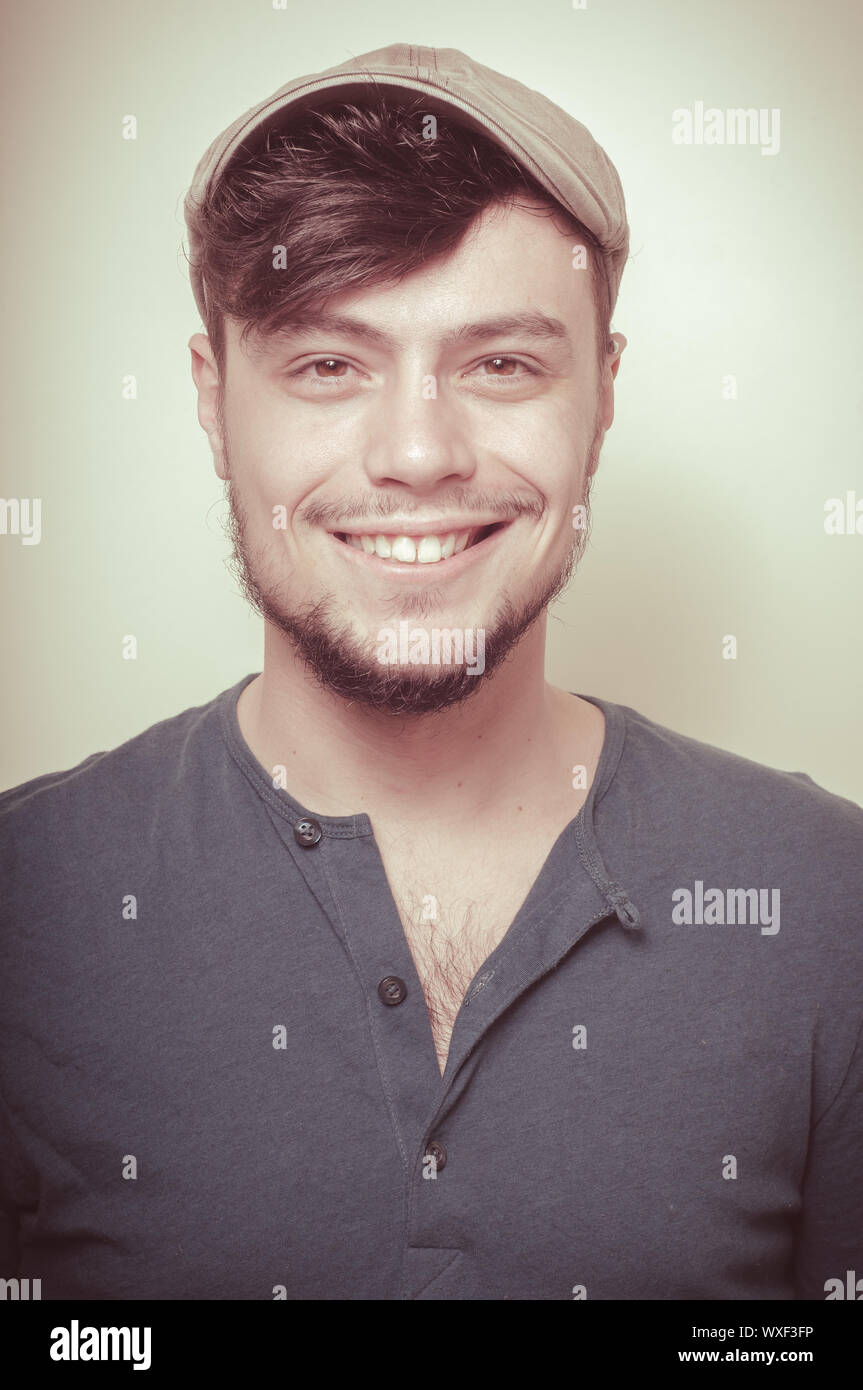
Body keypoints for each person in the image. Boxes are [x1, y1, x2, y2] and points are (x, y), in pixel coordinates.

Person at [1, 43, 860, 1302]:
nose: (416, 453)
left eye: (502, 363)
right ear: (211, 396)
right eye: (325, 364)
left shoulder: (826, 904)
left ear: (603, 395)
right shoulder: (29, 904)